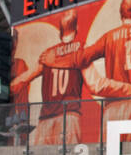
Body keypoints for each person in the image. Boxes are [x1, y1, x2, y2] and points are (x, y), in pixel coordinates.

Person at [10, 10, 87, 146]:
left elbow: (22, 80)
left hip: (46, 120)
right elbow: (95, 85)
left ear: (59, 32)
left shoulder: (47, 55)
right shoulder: (81, 50)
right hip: (69, 116)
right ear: (77, 29)